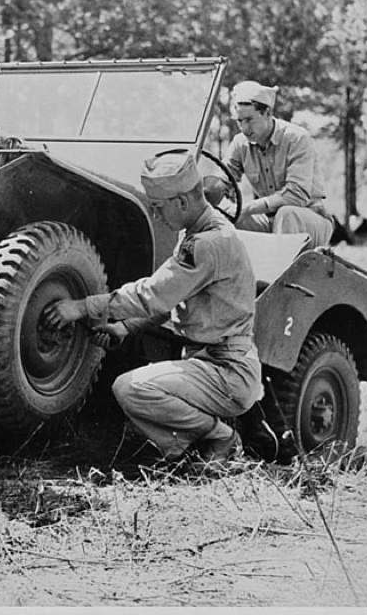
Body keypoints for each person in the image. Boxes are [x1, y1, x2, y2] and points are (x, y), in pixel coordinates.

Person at [43, 151, 263, 465]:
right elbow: (170, 303)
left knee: (131, 389)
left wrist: (81, 307)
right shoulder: (200, 233)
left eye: (159, 208)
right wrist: (124, 328)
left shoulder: (208, 243)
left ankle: (217, 437)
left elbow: (153, 295)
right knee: (138, 400)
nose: (157, 216)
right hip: (216, 362)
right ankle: (192, 448)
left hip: (226, 370)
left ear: (183, 202)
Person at [223, 80, 333, 249]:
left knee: (286, 213)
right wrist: (209, 192)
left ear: (267, 112)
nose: (244, 128)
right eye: (239, 121)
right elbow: (222, 180)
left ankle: (284, 274)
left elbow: (295, 196)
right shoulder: (240, 143)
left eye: (249, 120)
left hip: (309, 218)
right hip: (269, 220)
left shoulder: (297, 138)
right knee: (225, 218)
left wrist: (247, 207)